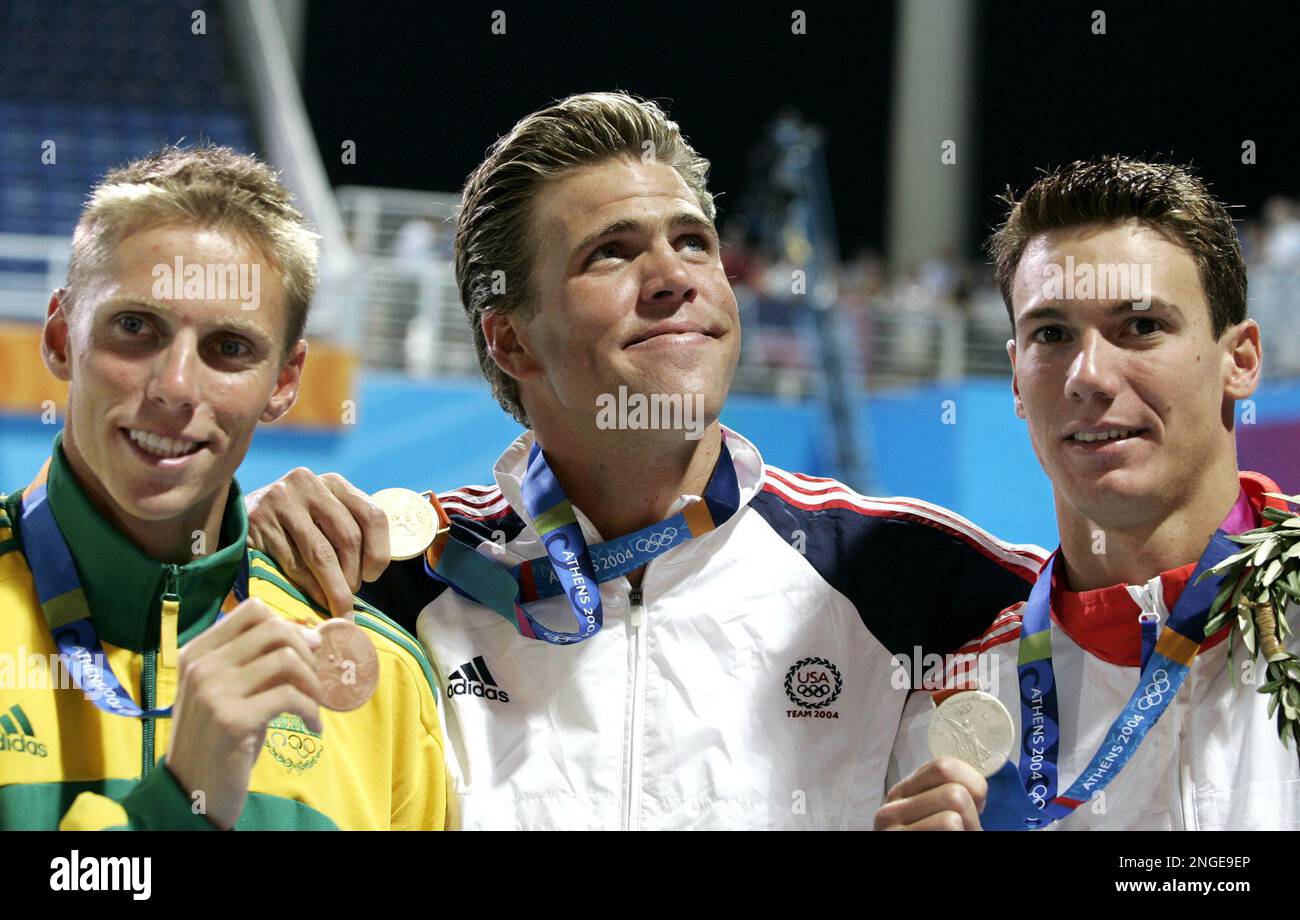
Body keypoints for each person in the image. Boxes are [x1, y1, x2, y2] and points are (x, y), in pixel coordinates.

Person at [246, 92, 1045, 829]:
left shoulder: (907, 572)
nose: (673, 278)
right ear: (511, 339)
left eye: (694, 242)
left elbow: (1142, 611)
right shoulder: (398, 576)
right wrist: (244, 539)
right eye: (610, 254)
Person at [0, 145, 447, 830]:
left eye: (229, 348)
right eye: (135, 328)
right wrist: (180, 808)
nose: (175, 387)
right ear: (61, 337)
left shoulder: (377, 681)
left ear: (286, 382)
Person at [878, 156, 1299, 831]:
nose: (1089, 376)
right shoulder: (951, 712)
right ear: (1017, 380)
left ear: (1240, 360)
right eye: (1052, 334)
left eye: (1140, 326)